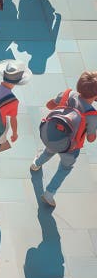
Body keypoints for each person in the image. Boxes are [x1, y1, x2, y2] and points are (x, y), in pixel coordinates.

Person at [31, 71, 97, 207]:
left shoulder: (67, 94)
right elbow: (91, 139)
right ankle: (49, 194)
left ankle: (36, 164)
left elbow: (49, 105)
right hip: (71, 148)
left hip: (53, 135)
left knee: (49, 150)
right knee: (64, 169)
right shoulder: (91, 114)